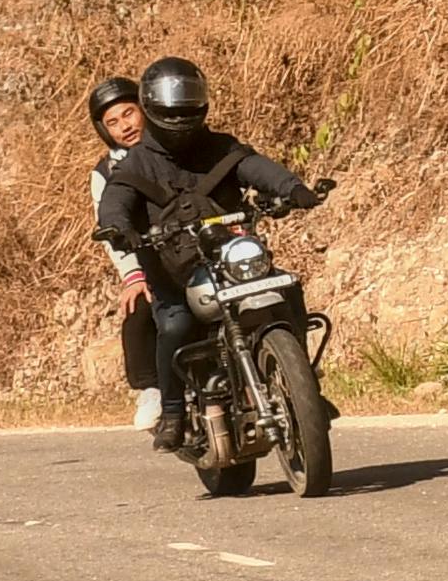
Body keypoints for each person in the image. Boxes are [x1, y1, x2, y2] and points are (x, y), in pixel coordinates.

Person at [96, 56, 327, 437]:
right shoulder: (136, 164)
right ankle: (171, 412)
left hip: (230, 255)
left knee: (286, 287)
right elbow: (115, 200)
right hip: (172, 269)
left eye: (188, 103)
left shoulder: (219, 147)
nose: (180, 113)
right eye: (172, 106)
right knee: (174, 323)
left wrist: (294, 189)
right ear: (153, 107)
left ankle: (305, 383)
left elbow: (254, 167)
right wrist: (117, 228)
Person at [86, 77, 158, 431]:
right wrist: (134, 274)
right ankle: (151, 388)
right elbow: (110, 229)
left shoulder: (180, 145)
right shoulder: (106, 172)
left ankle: (296, 373)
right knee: (138, 309)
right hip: (153, 256)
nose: (125, 126)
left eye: (129, 113)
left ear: (146, 108)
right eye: (113, 122)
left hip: (204, 243)